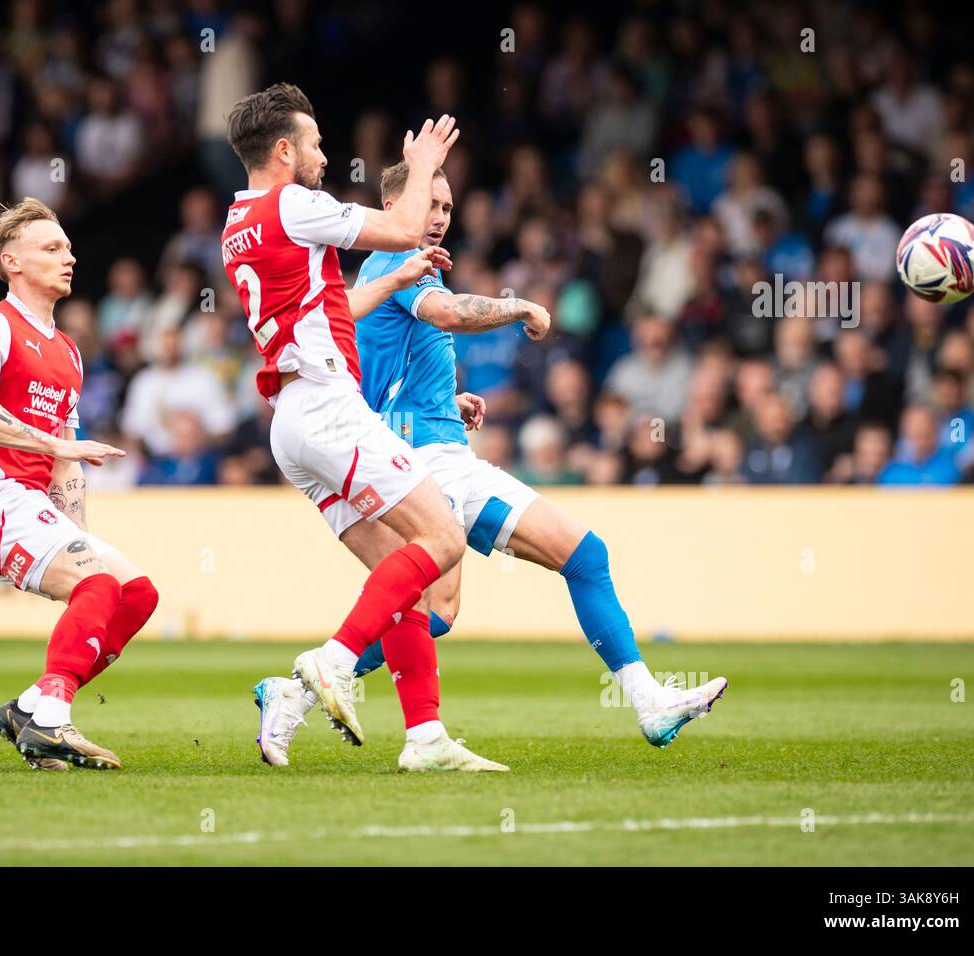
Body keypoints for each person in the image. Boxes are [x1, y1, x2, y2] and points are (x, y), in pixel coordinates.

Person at [253, 161, 727, 765]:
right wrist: (521, 306)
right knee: (578, 557)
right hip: (431, 462)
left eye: (448, 209)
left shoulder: (395, 274)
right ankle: (644, 700)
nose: (440, 218)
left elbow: (376, 374)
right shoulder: (392, 266)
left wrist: (442, 403)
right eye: (430, 204)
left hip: (423, 445)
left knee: (435, 612)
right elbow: (451, 316)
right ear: (397, 204)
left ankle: (297, 694)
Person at [221, 83, 504, 771]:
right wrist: (428, 163)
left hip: (290, 419)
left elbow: (333, 305)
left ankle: (424, 738)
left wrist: (397, 277)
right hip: (328, 404)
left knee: (398, 577)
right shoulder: (294, 202)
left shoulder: (238, 219)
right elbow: (405, 225)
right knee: (443, 536)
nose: (324, 156)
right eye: (315, 144)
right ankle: (334, 660)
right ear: (283, 150)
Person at [0, 198, 159, 772]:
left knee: (134, 593)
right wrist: (54, 446)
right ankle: (52, 718)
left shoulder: (68, 352)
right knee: (99, 583)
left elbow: (67, 465)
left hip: (32, 500)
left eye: (67, 246)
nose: (69, 257)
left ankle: (31, 706)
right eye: (51, 247)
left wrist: (77, 536)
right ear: (11, 262)